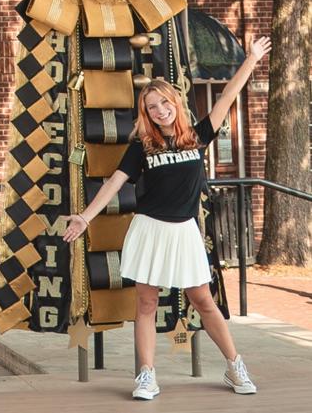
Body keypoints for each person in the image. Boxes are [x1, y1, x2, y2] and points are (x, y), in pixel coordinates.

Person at [63, 36, 271, 401]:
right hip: (150, 230)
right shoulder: (142, 146)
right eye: (151, 107)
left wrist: (251, 59)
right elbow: (114, 183)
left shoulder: (197, 136)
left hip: (184, 232)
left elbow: (227, 96)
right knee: (145, 304)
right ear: (146, 113)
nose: (160, 110)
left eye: (164, 102)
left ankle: (235, 365)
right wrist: (85, 217)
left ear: (175, 101)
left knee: (204, 301)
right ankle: (146, 375)